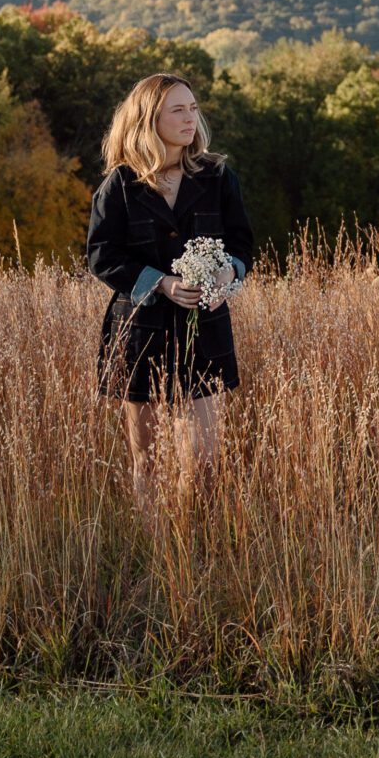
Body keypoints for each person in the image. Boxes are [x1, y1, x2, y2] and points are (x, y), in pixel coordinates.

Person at [86, 72, 254, 502]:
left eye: (193, 108)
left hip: (207, 330)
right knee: (149, 459)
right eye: (177, 110)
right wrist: (160, 283)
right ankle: (153, 556)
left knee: (204, 458)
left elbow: (241, 244)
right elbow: (101, 255)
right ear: (148, 118)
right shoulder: (120, 185)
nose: (190, 118)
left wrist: (228, 273)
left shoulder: (218, 177)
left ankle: (193, 552)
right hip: (139, 333)